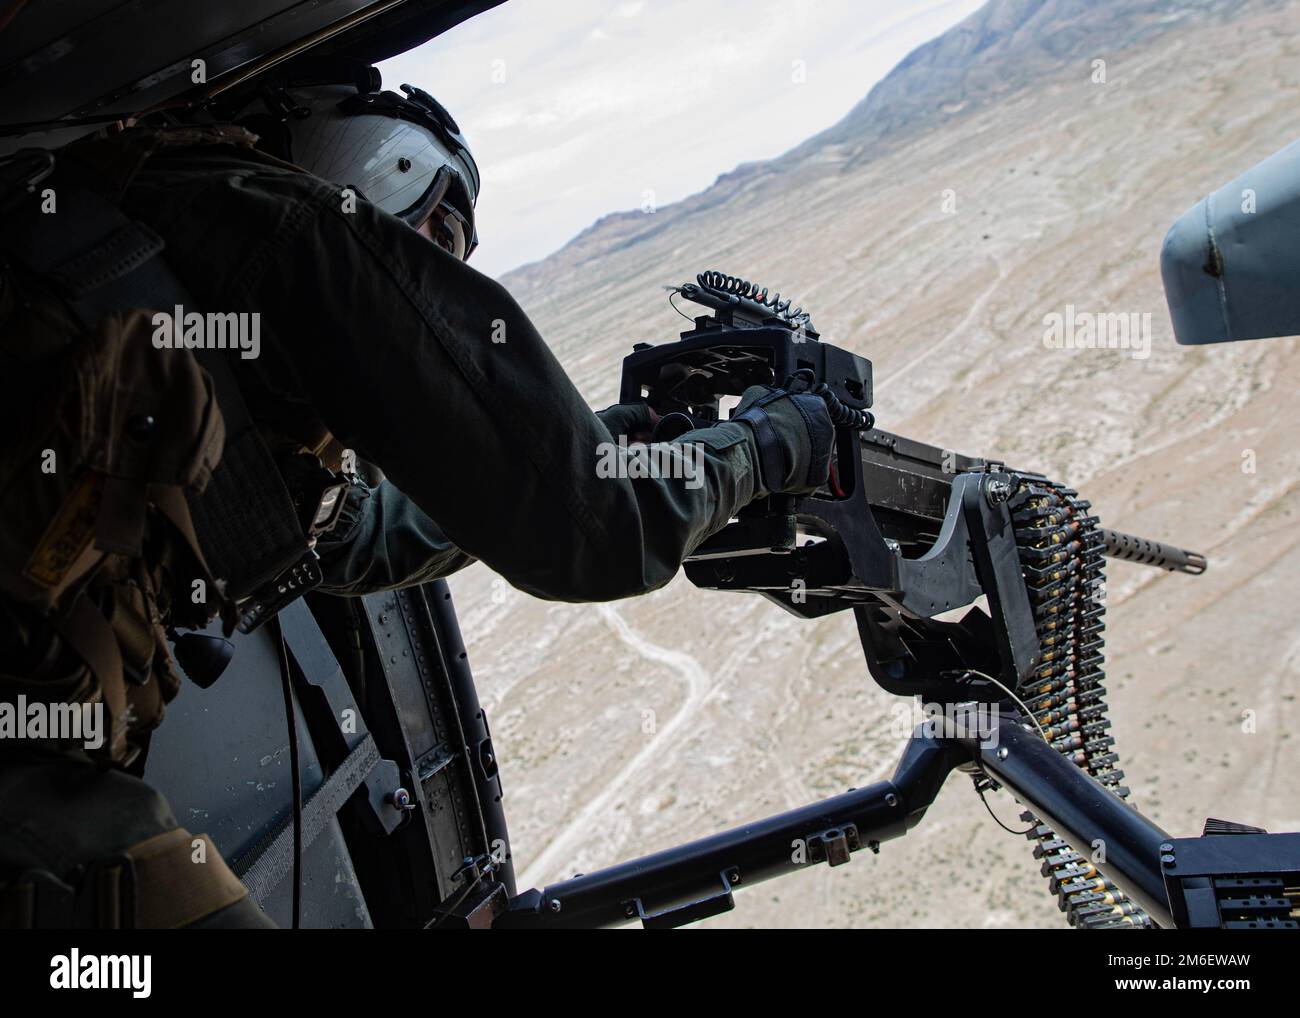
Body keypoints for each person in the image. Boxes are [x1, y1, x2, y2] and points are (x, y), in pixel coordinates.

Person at [0, 69, 833, 928]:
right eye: (439, 227)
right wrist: (774, 446)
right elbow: (598, 531)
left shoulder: (154, 229)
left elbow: (353, 534)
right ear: (380, 168)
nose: (433, 263)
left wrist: (611, 441)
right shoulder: (294, 234)